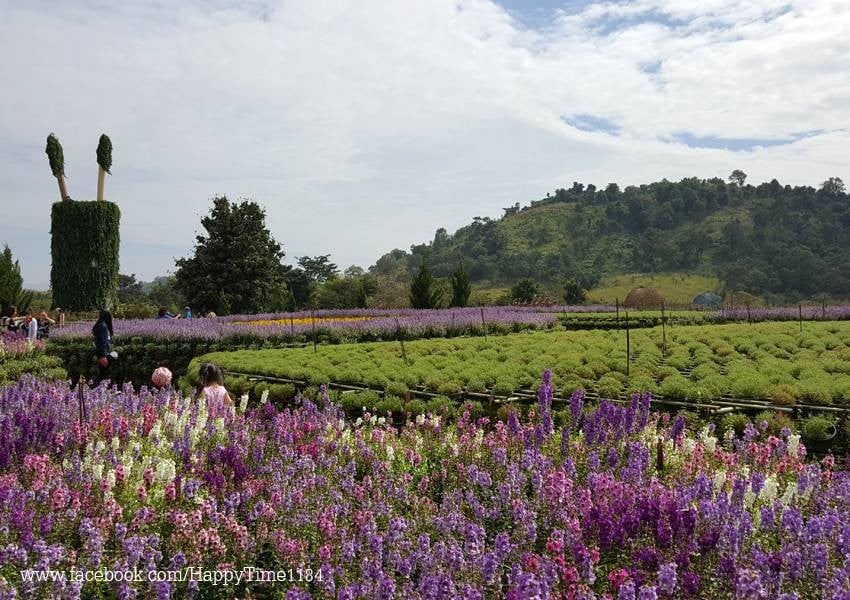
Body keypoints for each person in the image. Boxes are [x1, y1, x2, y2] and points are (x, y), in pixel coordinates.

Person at [92, 310, 113, 381]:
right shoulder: (103, 326)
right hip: (103, 354)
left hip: (101, 353)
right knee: (103, 376)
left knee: (102, 374)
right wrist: (103, 356)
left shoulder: (100, 325)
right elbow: (103, 342)